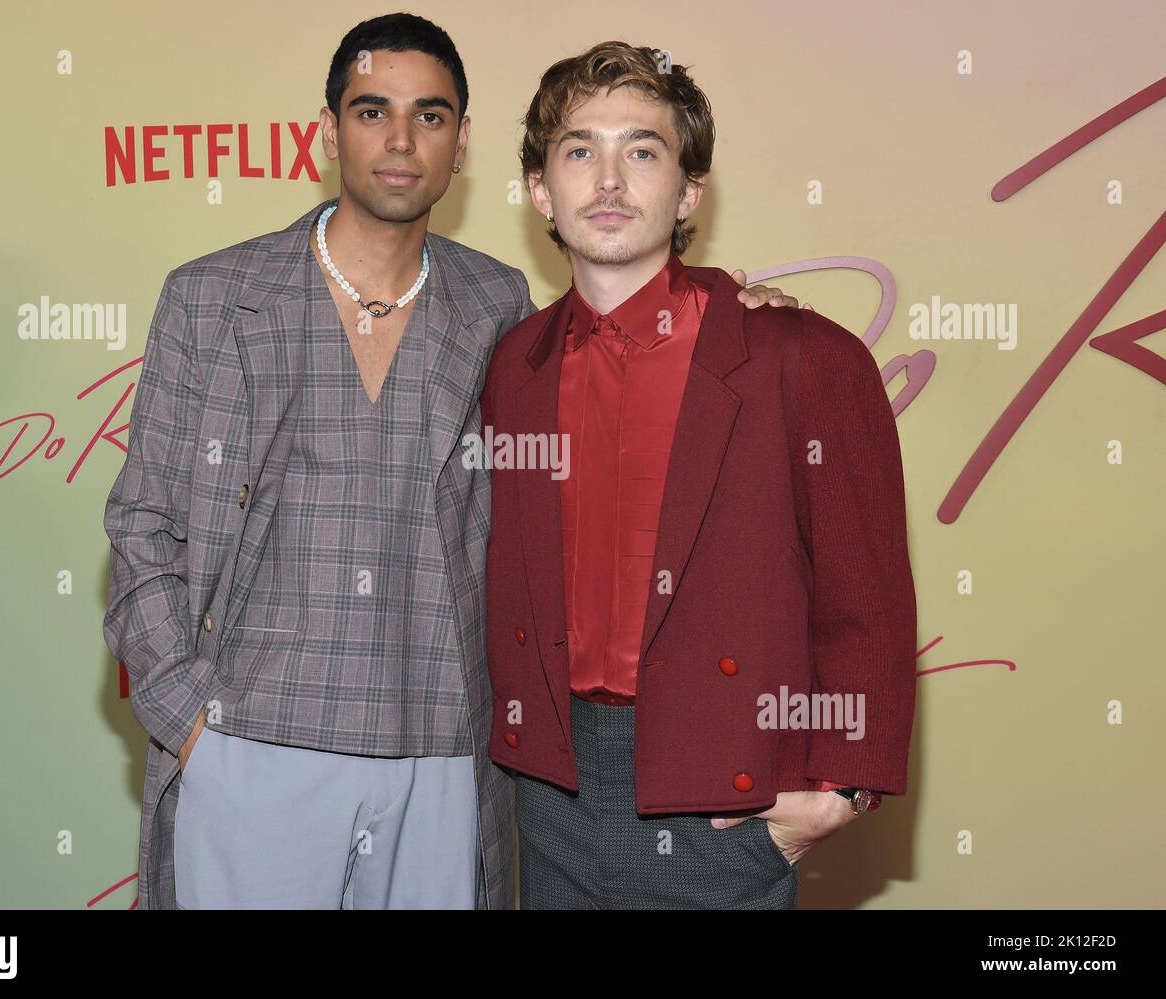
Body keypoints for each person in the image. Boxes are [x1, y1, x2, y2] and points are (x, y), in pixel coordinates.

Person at [104, 14, 800, 910]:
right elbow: (141, 524)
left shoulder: (496, 304)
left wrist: (727, 301)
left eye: (430, 116)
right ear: (327, 132)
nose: (401, 140)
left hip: (439, 756)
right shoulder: (212, 297)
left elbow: (624, 327)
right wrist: (190, 724)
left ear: (462, 142)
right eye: (371, 112)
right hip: (253, 744)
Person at [481, 41, 917, 909]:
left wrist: (839, 792)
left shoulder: (800, 356)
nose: (609, 179)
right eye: (580, 151)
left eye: (642, 151)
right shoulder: (511, 364)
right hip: (549, 798)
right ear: (540, 190)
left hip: (728, 790)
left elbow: (865, 593)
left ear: (687, 192)